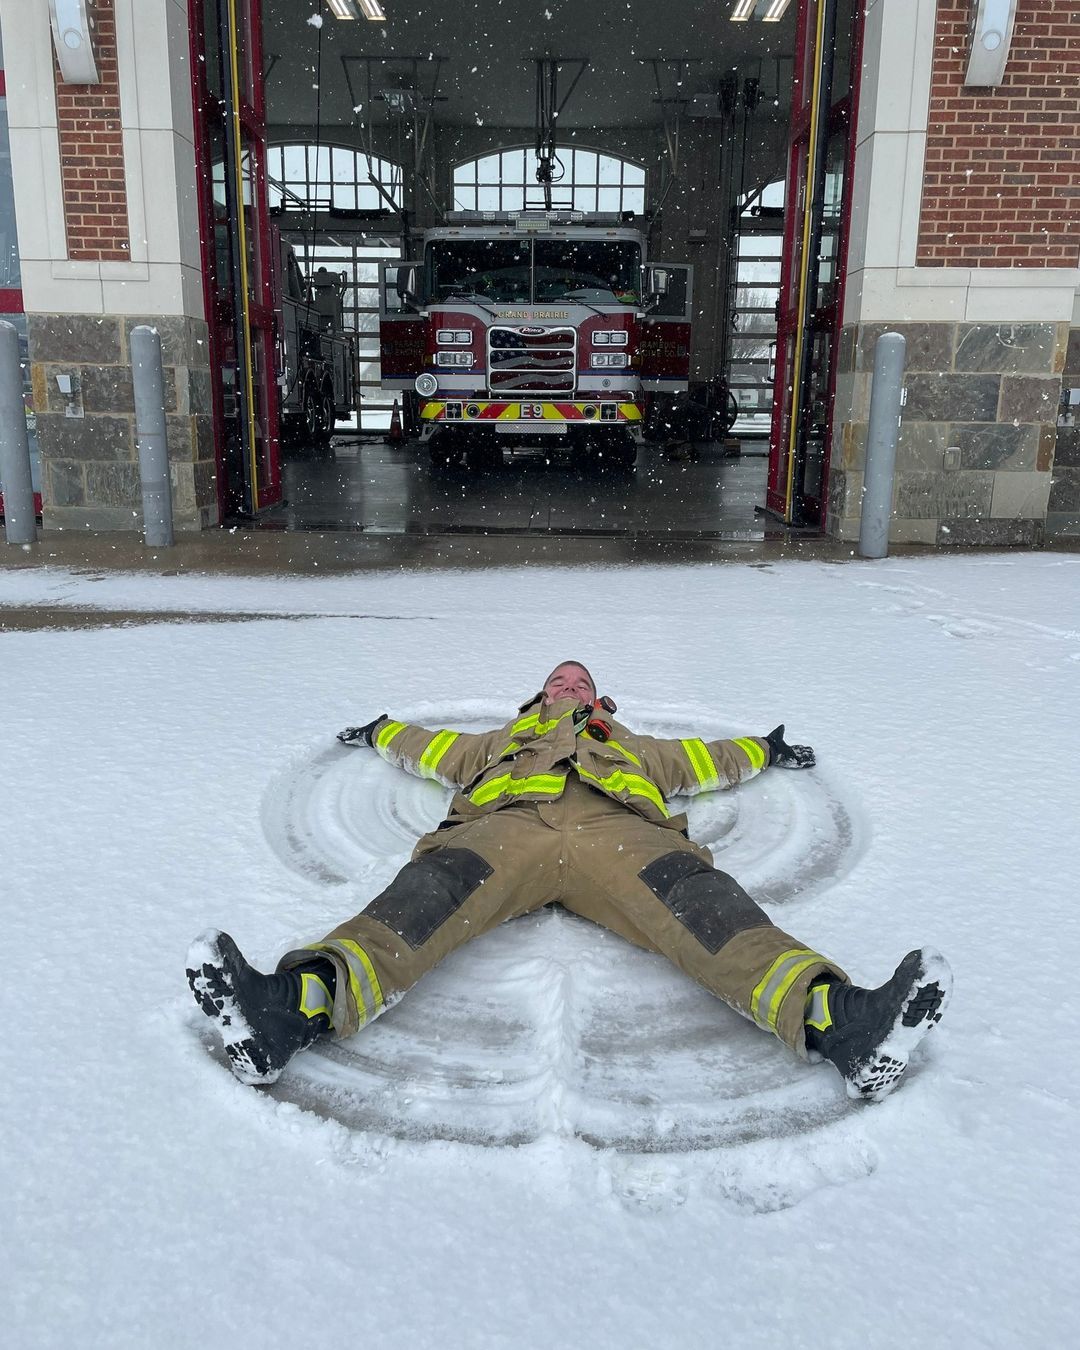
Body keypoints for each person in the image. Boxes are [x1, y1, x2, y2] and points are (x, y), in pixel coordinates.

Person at [188, 661, 951, 1103]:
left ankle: (843, 1025)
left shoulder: (635, 748)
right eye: (560, 679)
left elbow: (708, 762)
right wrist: (380, 731)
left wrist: (766, 748)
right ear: (540, 696)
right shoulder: (499, 741)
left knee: (711, 912)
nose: (571, 686)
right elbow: (426, 746)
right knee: (419, 904)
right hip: (504, 832)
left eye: (582, 682)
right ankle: (290, 1009)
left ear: (598, 701)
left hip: (623, 837)